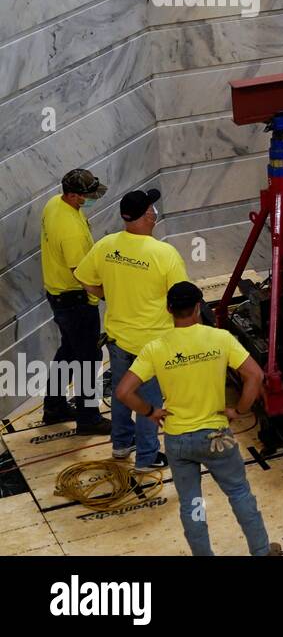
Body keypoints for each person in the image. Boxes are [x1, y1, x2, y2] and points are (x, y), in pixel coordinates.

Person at [116, 281, 279, 556]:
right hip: (216, 437)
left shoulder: (155, 348)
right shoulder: (220, 339)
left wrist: (150, 412)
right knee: (239, 493)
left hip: (178, 439)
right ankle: (262, 552)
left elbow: (123, 391)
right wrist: (238, 410)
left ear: (169, 309)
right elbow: (255, 375)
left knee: (192, 505)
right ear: (197, 308)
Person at [75, 189, 188, 471]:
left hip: (118, 339)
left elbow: (85, 279)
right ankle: (148, 458)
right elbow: (183, 299)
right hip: (151, 344)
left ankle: (122, 444)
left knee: (122, 394)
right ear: (149, 215)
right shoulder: (164, 253)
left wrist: (109, 295)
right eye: (151, 207)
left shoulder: (106, 246)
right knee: (148, 401)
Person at [39, 169, 112, 434]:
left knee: (68, 351)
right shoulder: (70, 231)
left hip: (58, 295)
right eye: (87, 196)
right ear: (72, 195)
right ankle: (89, 418)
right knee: (89, 358)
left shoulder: (54, 204)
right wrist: (104, 297)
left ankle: (55, 407)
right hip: (76, 300)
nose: (91, 200)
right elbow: (80, 274)